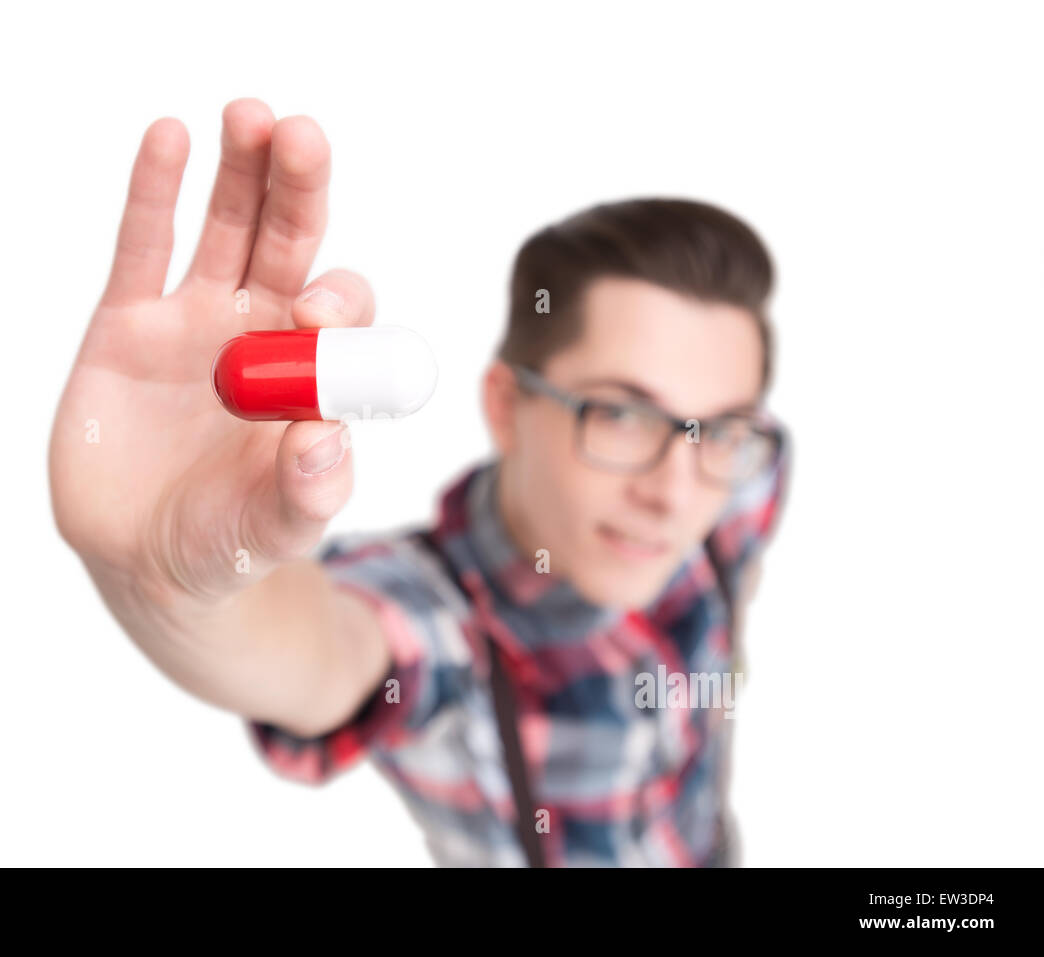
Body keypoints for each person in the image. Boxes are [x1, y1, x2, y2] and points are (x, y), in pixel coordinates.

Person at [48, 98, 791, 867]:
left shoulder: (742, 475)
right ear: (506, 405)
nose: (674, 493)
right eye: (622, 415)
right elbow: (318, 650)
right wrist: (170, 585)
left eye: (719, 427)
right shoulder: (440, 623)